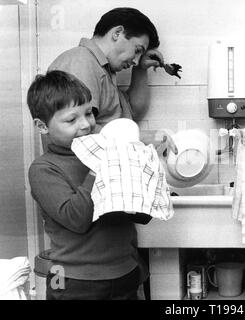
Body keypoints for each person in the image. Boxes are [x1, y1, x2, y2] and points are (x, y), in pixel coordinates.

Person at [27, 70, 152, 300]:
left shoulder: (106, 154)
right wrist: (99, 168)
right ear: (42, 126)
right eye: (71, 120)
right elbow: (77, 219)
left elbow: (143, 216)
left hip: (125, 272)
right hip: (71, 280)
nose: (86, 124)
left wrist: (143, 173)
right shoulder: (44, 169)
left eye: (89, 113)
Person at [48, 7, 177, 153]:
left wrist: (141, 69)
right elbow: (79, 130)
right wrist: (138, 138)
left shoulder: (102, 67)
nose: (135, 60)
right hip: (81, 171)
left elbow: (133, 112)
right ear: (117, 33)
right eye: (137, 50)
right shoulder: (81, 63)